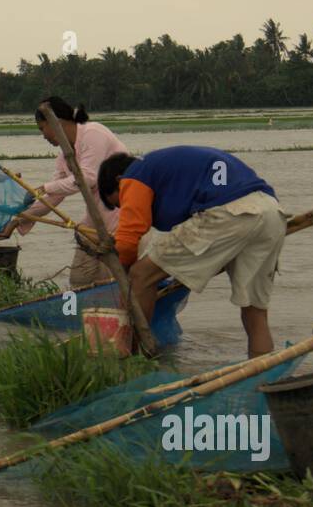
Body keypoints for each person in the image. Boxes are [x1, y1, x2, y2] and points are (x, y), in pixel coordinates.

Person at [97, 147, 286, 358]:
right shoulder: (166, 168)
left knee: (140, 275)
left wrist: (125, 276)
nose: (125, 206)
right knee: (255, 310)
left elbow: (128, 238)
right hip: (271, 211)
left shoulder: (134, 174)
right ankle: (262, 372)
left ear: (119, 179)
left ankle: (136, 358)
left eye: (120, 201)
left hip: (228, 213)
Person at [0, 97, 128, 288]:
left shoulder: (93, 133)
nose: (43, 135)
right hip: (96, 218)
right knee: (80, 279)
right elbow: (55, 195)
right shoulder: (64, 156)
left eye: (42, 128)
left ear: (57, 123)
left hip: (122, 212)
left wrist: (44, 187)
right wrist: (18, 220)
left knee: (115, 278)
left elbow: (87, 179)